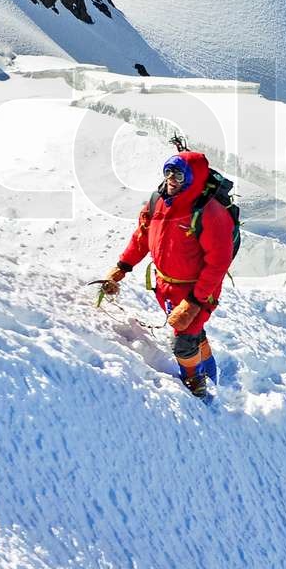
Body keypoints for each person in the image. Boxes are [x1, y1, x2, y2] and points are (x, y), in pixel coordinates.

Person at [100, 151, 234, 397]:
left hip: (198, 289)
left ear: (193, 178)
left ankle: (197, 391)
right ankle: (210, 377)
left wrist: (193, 302)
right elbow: (142, 237)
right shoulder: (157, 201)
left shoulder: (210, 213)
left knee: (183, 343)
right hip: (166, 286)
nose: (171, 179)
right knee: (194, 335)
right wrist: (123, 266)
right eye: (168, 172)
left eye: (179, 175)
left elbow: (218, 264)